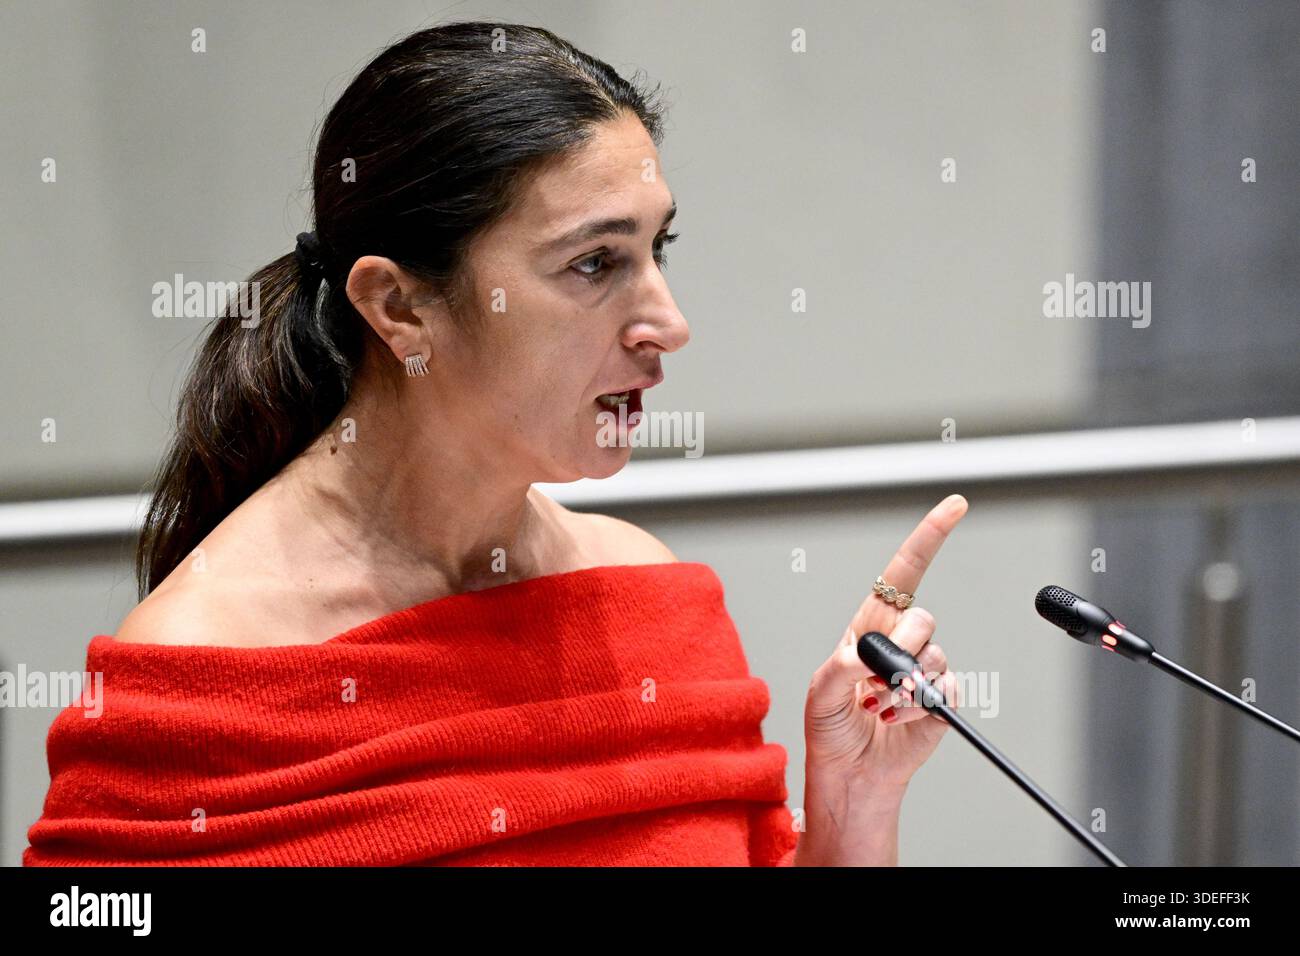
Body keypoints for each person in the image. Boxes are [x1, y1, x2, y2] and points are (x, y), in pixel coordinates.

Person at [25, 20, 966, 867]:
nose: (668, 323)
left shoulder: (644, 595)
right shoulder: (203, 674)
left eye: (657, 251)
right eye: (594, 264)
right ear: (398, 307)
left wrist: (851, 808)